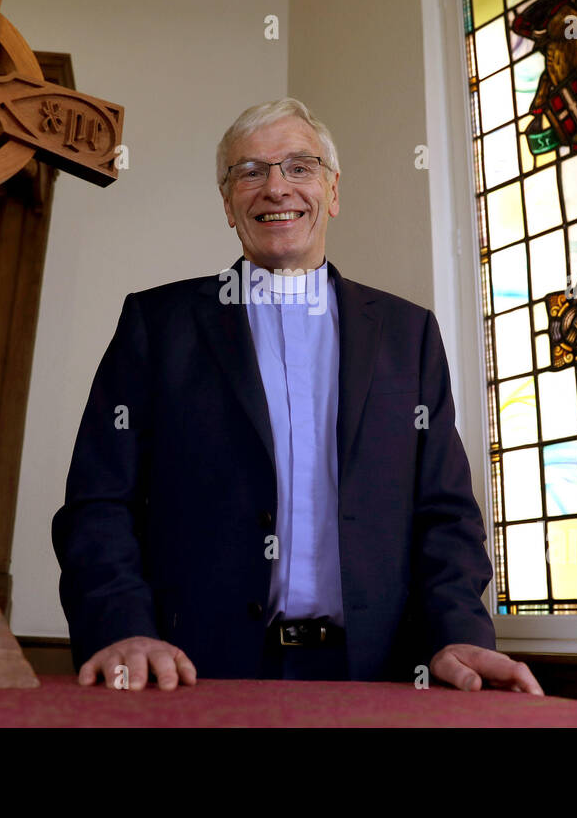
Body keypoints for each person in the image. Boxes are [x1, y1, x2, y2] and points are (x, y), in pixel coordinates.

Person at [52, 97, 542, 695]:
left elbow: (444, 512)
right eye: (249, 172)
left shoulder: (407, 335)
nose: (275, 187)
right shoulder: (158, 325)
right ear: (228, 204)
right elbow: (99, 503)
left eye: (299, 167)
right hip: (190, 673)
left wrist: (458, 631)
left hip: (377, 673)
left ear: (332, 192)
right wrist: (121, 628)